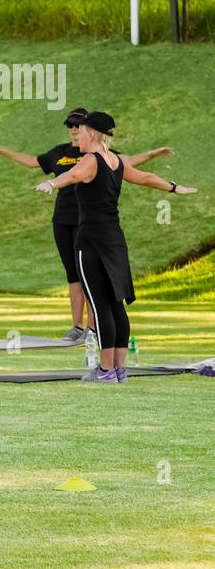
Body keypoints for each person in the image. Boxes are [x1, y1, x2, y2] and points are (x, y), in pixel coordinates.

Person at [0, 110, 172, 340]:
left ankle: (93, 329)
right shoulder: (60, 152)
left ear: (89, 130)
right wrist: (1, 150)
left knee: (90, 276)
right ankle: (77, 327)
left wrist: (152, 154)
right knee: (73, 274)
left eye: (78, 125)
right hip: (63, 220)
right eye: (70, 124)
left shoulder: (98, 154)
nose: (73, 129)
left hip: (89, 221)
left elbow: (127, 164)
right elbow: (32, 161)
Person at [35, 111, 196, 382]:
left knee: (100, 306)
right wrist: (173, 187)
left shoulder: (92, 160)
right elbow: (144, 177)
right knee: (116, 303)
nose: (78, 137)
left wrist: (52, 182)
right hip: (114, 239)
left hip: (90, 240)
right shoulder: (115, 161)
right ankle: (120, 369)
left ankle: (105, 370)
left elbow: (73, 176)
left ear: (93, 135)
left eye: (82, 132)